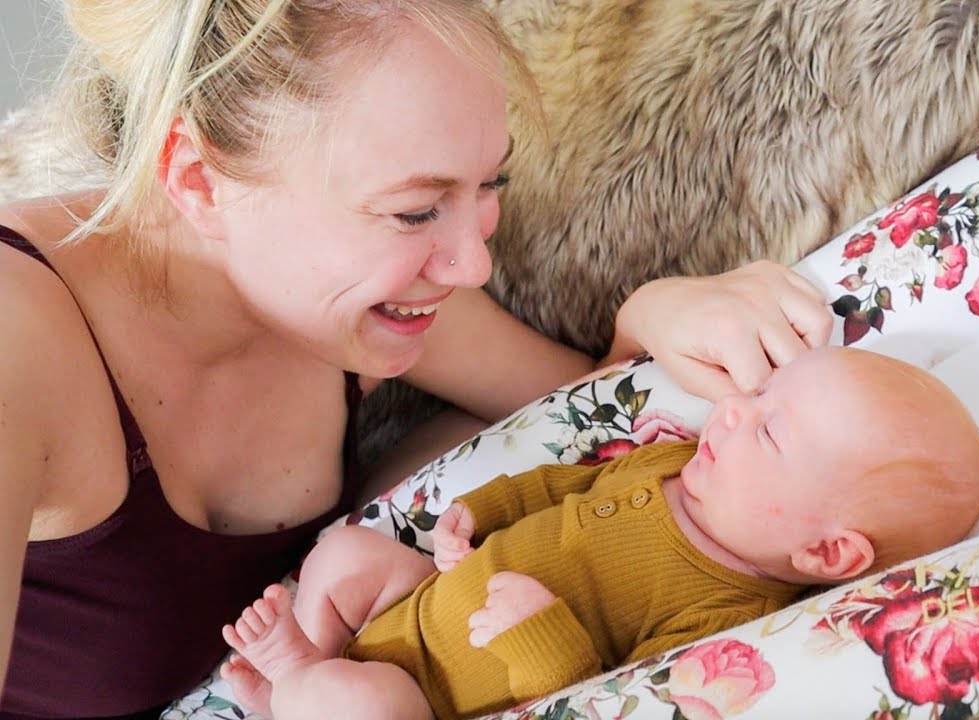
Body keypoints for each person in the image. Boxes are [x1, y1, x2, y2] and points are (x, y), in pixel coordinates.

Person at [0, 2, 836, 718]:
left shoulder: (362, 295)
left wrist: (653, 313)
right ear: (196, 177)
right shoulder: (18, 339)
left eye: (488, 187)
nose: (473, 264)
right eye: (413, 211)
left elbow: (572, 417)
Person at [221, 346, 979, 720]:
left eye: (768, 431)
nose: (731, 410)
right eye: (758, 393)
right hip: (418, 602)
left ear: (825, 551)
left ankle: (301, 683)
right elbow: (557, 486)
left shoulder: (727, 615)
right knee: (346, 553)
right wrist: (480, 513)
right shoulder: (675, 460)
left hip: (428, 697)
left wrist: (541, 635)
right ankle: (305, 681)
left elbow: (611, 696)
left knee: (367, 701)